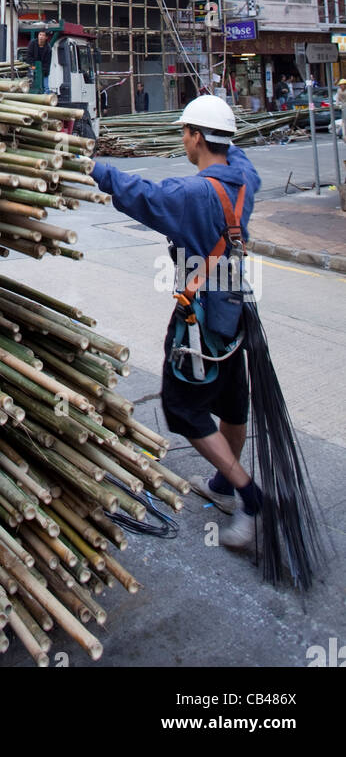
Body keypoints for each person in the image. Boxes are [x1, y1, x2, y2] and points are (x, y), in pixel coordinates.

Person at [92, 95, 263, 550]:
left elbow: (143, 196)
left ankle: (247, 494)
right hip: (236, 304)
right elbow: (238, 153)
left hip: (201, 313)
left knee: (182, 406)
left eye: (185, 132)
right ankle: (224, 486)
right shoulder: (243, 178)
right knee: (230, 400)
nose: (182, 140)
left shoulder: (195, 195)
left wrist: (93, 167)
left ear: (198, 137)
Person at [25, 29, 52, 94]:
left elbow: (47, 62)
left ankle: (46, 94)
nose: (41, 37)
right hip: (32, 67)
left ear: (46, 37)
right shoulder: (32, 43)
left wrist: (43, 71)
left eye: (43, 35)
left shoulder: (48, 48)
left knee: (46, 87)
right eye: (40, 35)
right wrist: (33, 66)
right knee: (31, 83)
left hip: (43, 69)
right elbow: (29, 57)